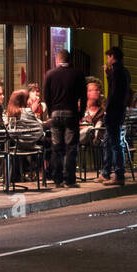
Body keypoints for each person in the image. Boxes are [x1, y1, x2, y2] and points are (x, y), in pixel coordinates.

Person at [43, 48, 86, 189]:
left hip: (55, 114)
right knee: (71, 147)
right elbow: (83, 96)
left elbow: (47, 97)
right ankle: (70, 179)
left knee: (57, 147)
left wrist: (51, 112)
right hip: (71, 113)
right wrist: (81, 113)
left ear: (57, 59)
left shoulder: (50, 74)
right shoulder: (78, 74)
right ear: (69, 60)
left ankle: (57, 179)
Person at [101, 47, 130, 186]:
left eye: (108, 57)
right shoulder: (123, 71)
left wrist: (107, 109)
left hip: (114, 111)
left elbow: (113, 93)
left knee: (115, 143)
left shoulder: (117, 72)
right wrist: (108, 75)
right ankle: (105, 173)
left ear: (112, 57)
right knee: (108, 142)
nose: (107, 60)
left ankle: (119, 174)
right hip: (119, 110)